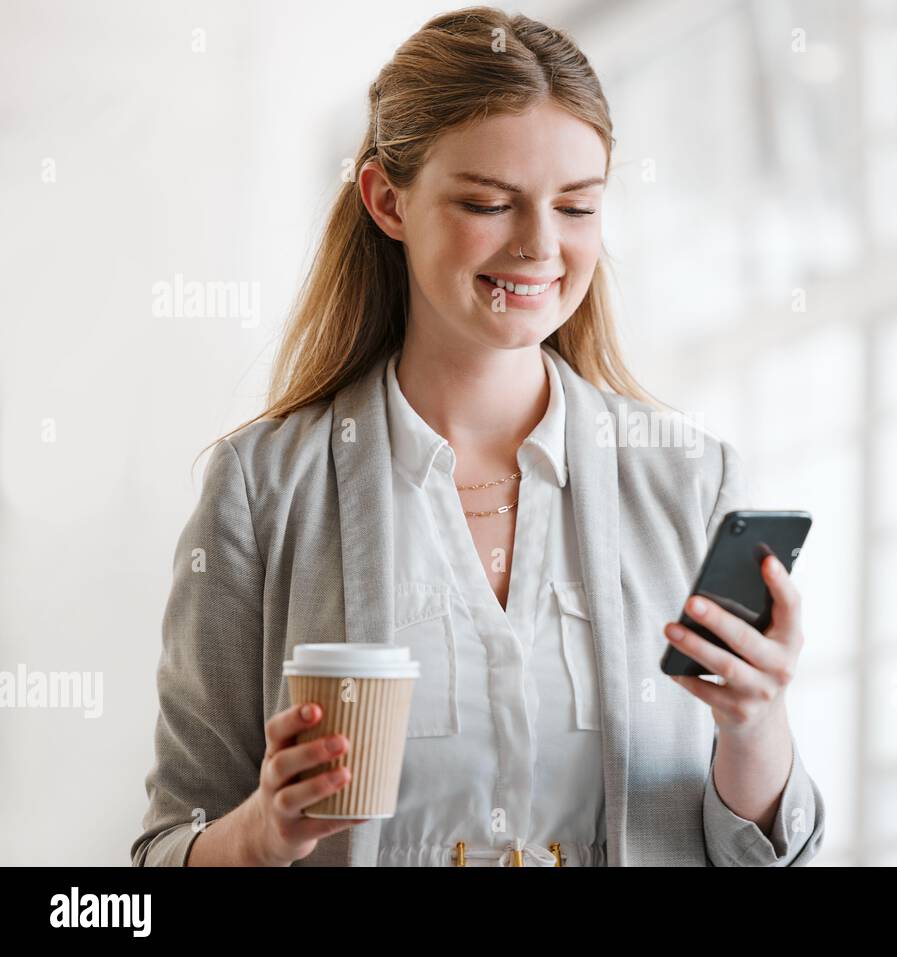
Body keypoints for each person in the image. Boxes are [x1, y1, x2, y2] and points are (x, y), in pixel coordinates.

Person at [131, 5, 825, 867]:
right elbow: (163, 856)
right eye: (490, 203)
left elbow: (764, 853)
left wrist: (755, 721)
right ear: (388, 199)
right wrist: (264, 833)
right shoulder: (264, 489)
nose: (540, 246)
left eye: (577, 207)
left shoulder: (688, 481)